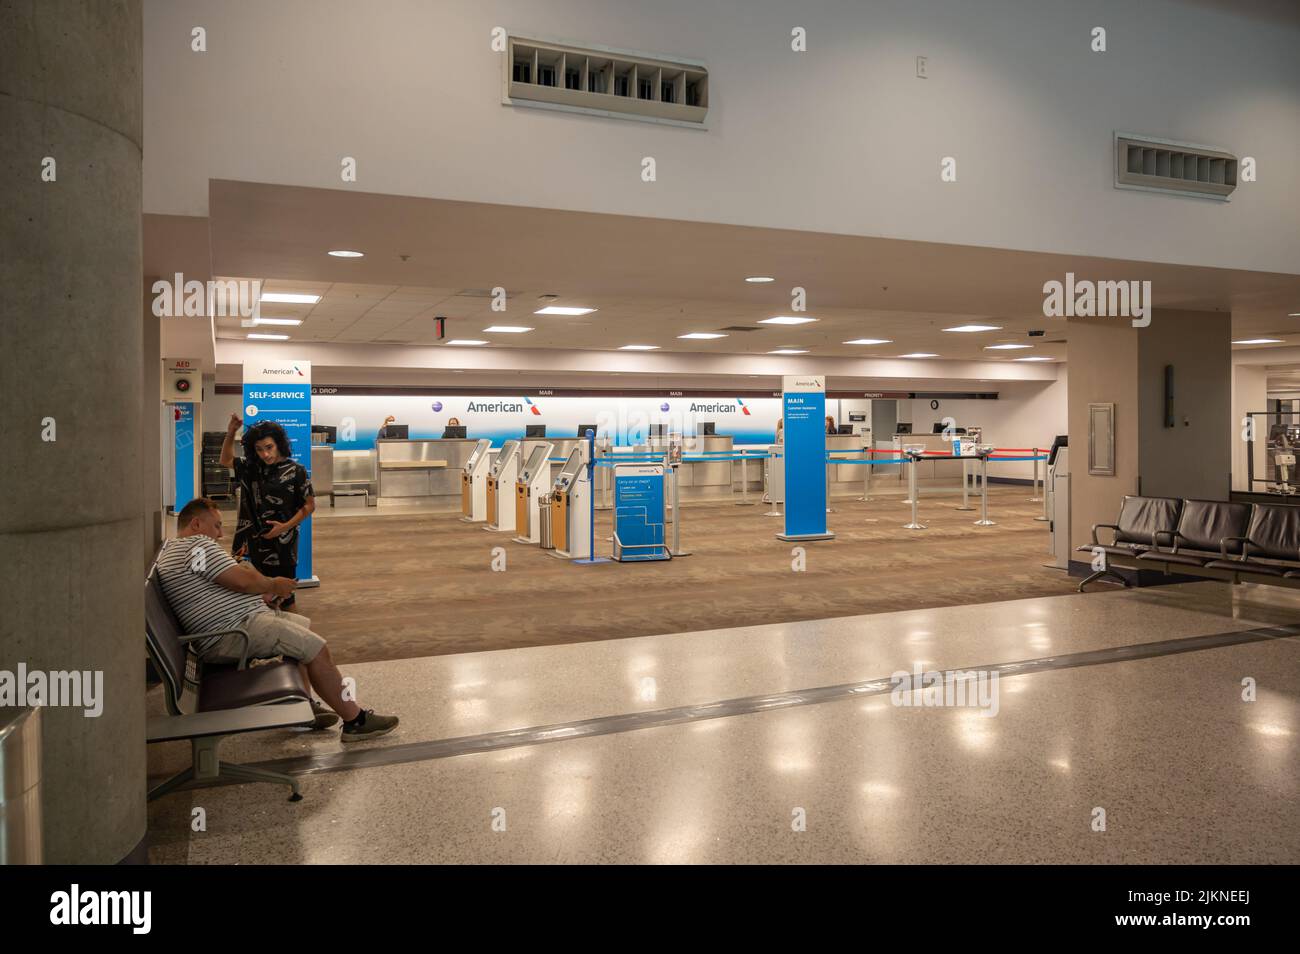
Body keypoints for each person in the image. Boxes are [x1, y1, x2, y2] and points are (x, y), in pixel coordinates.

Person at [156, 498, 398, 741]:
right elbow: (242, 580)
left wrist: (260, 596)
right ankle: (356, 720)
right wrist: (274, 584)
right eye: (217, 526)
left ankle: (305, 706)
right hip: (232, 632)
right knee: (317, 648)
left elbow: (214, 587)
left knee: (302, 626)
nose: (220, 534)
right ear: (196, 524)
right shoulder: (197, 546)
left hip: (235, 625)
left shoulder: (177, 551)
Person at [219, 415, 314, 612]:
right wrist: (230, 433)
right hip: (248, 543)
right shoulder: (250, 468)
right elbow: (225, 459)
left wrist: (284, 528)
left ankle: (295, 638)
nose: (265, 454)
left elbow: (309, 506)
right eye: (259, 449)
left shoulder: (297, 471)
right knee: (250, 597)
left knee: (285, 598)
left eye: (269, 447)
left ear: (279, 444)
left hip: (283, 545)